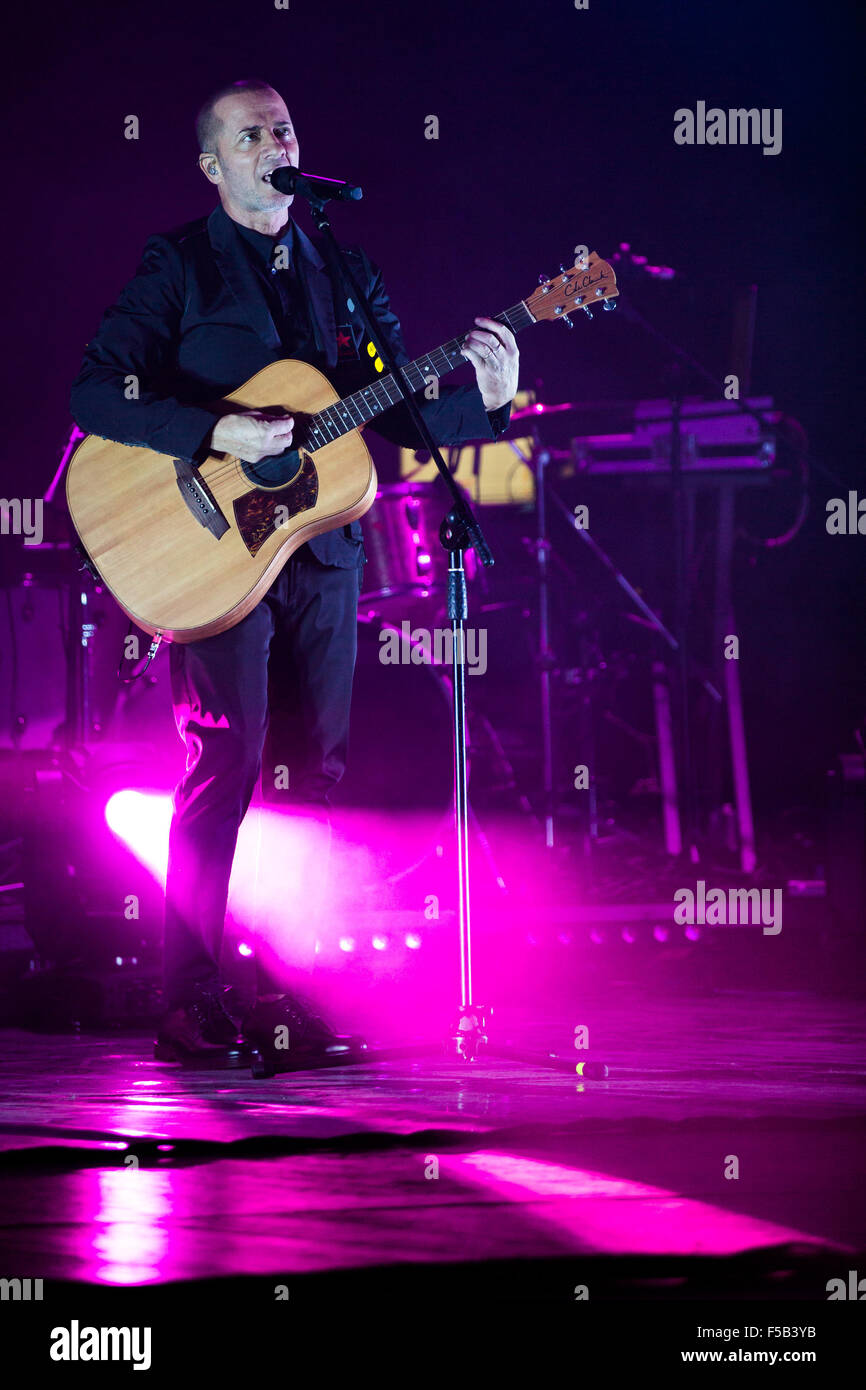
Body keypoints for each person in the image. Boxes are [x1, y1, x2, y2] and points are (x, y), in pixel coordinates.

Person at [70, 78, 519, 1067]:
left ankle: (280, 1000)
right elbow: (96, 391)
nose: (274, 139)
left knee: (315, 772)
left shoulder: (346, 274)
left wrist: (485, 405)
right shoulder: (179, 265)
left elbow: (395, 418)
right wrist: (213, 427)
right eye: (251, 131)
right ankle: (189, 997)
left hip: (318, 552)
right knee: (224, 766)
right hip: (211, 549)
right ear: (213, 163)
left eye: (283, 126)